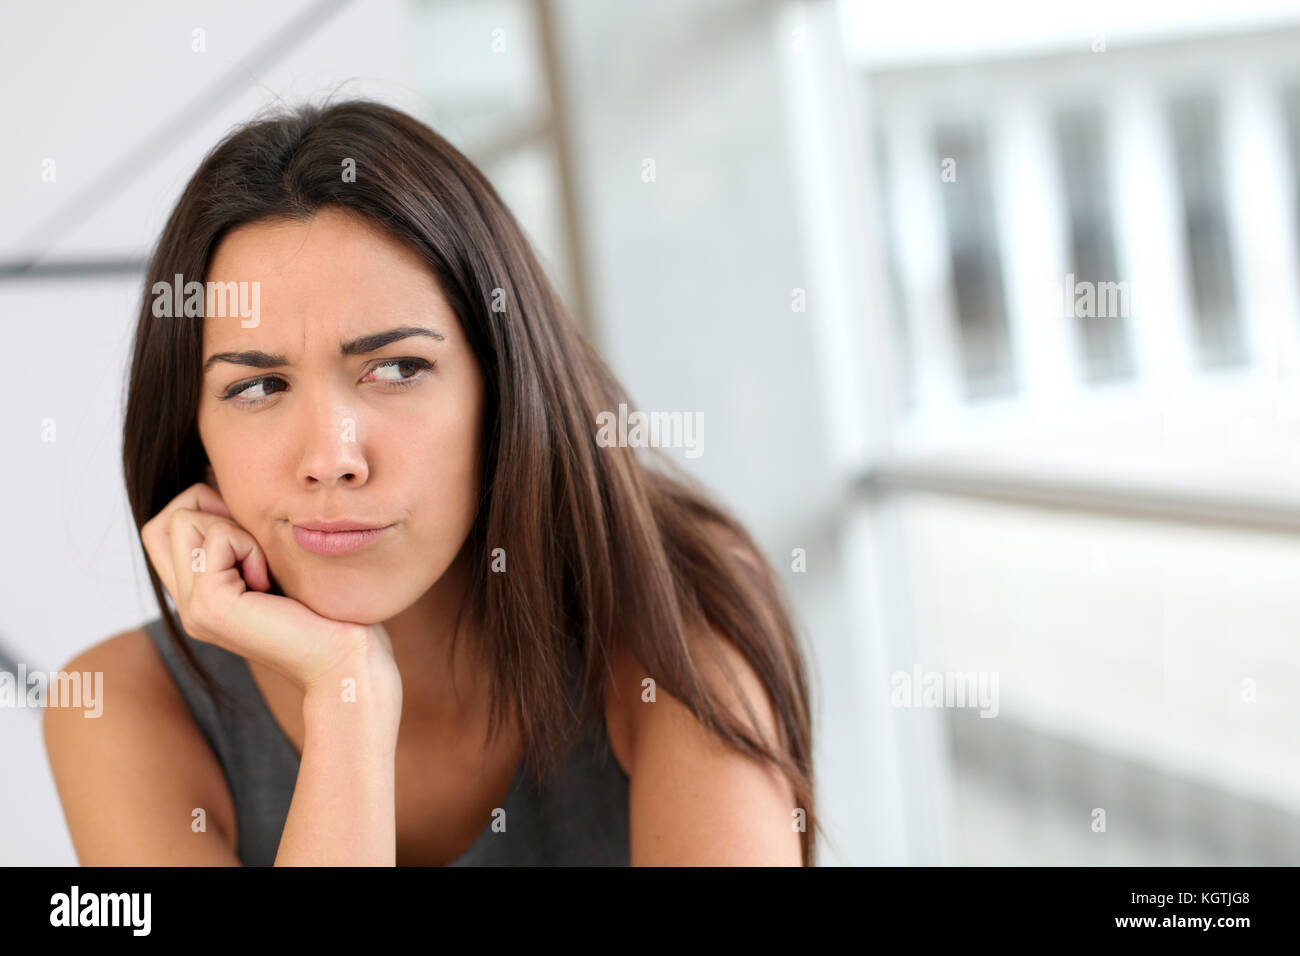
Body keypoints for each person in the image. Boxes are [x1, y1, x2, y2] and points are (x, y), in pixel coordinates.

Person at [44, 99, 818, 866]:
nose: (333, 457)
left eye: (397, 369)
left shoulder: (672, 616)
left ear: (504, 388)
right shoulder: (122, 705)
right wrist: (348, 697)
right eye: (258, 388)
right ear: (196, 436)